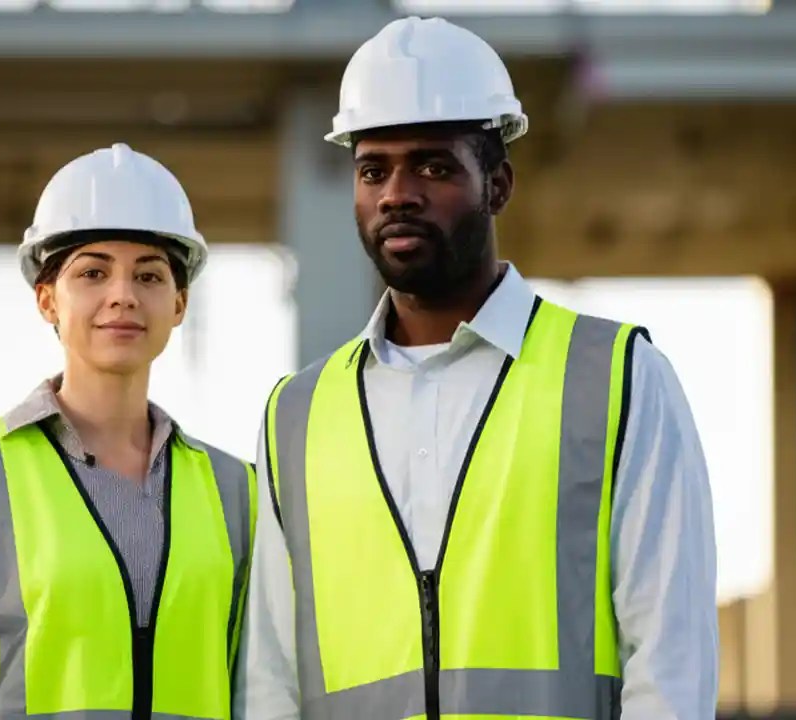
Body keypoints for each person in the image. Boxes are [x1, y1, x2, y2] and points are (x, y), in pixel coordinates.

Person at [238, 16, 718, 720]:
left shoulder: (618, 379)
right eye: (373, 169)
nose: (397, 192)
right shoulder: (296, 416)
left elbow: (671, 665)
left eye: (433, 166)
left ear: (498, 185)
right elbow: (269, 678)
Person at [0, 143, 256, 720]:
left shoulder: (237, 491)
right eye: (92, 272)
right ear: (46, 300)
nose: (123, 295)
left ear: (179, 303)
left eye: (150, 275)